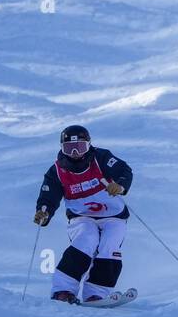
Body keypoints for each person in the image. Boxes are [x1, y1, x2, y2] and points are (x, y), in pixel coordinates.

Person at [33, 124, 134, 303]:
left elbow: (124, 171)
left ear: (88, 145)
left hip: (113, 216)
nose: (74, 153)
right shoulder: (56, 172)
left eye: (80, 147)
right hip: (82, 216)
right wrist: (44, 213)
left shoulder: (101, 158)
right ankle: (63, 290)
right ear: (61, 148)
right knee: (86, 240)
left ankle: (95, 294)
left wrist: (120, 185)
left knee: (109, 246)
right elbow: (48, 197)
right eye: (69, 148)